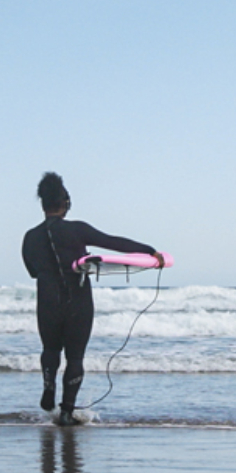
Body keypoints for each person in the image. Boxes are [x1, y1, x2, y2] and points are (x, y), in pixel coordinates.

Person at [22, 172, 164, 426]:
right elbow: (113, 243)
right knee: (75, 358)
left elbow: (33, 271)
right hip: (77, 302)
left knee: (50, 350)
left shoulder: (29, 238)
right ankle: (66, 412)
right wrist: (150, 251)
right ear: (65, 203)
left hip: (47, 303)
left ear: (43, 204)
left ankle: (48, 387)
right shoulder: (77, 229)